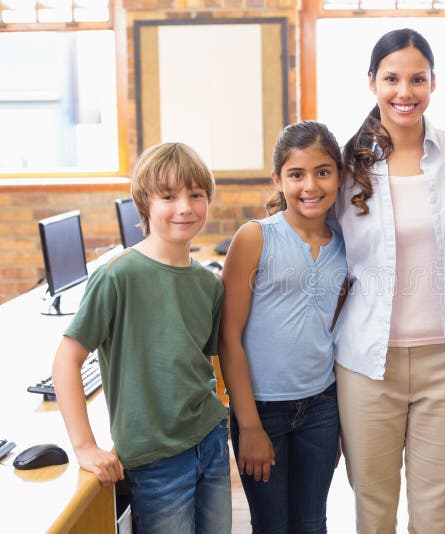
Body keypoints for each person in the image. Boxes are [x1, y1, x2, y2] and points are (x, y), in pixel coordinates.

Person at [335, 28, 445, 533]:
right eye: (392, 79)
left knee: (436, 515)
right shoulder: (345, 165)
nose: (404, 91)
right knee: (373, 511)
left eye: (417, 79)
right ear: (371, 82)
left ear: (433, 83)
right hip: (366, 364)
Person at [52, 142, 231, 533]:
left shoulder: (208, 284)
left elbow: (206, 361)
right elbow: (66, 360)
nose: (184, 207)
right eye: (168, 196)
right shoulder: (118, 276)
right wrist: (84, 446)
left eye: (196, 195)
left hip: (210, 439)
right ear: (145, 203)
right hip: (155, 458)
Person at [218, 120, 347, 534]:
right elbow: (229, 337)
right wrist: (250, 424)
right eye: (296, 174)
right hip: (262, 411)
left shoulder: (347, 242)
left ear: (339, 176)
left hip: (322, 408)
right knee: (272, 525)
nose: (310, 185)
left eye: (323, 172)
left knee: (312, 523)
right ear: (278, 180)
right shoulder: (255, 238)